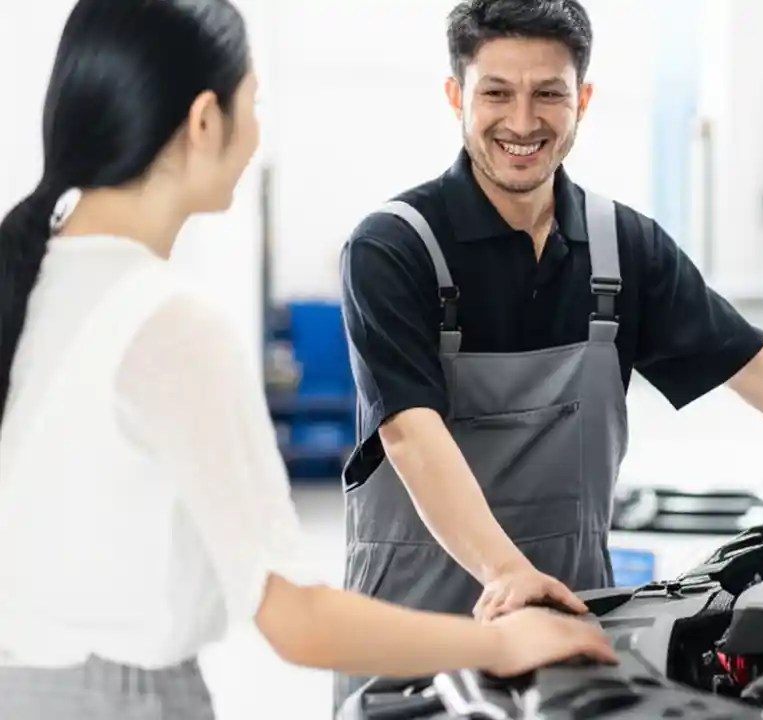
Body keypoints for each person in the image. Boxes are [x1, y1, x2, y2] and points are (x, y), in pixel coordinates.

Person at [0, 1, 618, 719]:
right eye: (252, 102)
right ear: (206, 121)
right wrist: (508, 645)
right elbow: (295, 620)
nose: (257, 130)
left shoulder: (36, 281)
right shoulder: (169, 322)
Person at [337, 0, 763, 700]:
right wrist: (505, 571)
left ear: (583, 99)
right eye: (496, 93)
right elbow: (409, 432)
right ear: (457, 96)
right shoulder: (393, 249)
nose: (522, 122)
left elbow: (751, 362)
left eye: (548, 93)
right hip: (414, 637)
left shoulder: (622, 248)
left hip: (570, 624)